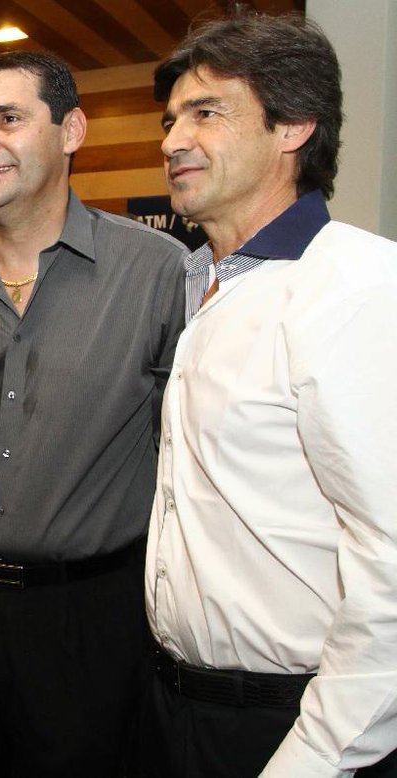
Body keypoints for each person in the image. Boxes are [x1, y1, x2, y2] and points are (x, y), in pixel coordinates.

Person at [0, 52, 187, 776]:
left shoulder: (159, 271)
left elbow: (181, 437)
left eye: (8, 119)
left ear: (72, 130)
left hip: (88, 618)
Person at [138, 12, 397, 777]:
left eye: (207, 112)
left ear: (294, 127)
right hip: (174, 709)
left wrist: (315, 758)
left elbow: (390, 563)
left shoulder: (357, 286)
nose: (171, 140)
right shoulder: (196, 284)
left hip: (295, 729)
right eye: (170, 118)